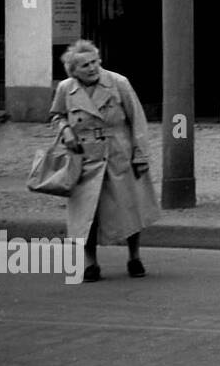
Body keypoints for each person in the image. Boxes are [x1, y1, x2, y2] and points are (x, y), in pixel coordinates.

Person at [50, 40, 160, 282]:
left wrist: (140, 155)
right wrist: (65, 130)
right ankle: (91, 263)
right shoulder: (66, 89)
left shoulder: (118, 83)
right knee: (86, 213)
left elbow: (137, 120)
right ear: (73, 71)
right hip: (84, 156)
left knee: (130, 206)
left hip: (118, 152)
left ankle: (134, 257)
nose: (91, 68)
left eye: (94, 62)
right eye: (84, 65)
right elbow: (57, 115)